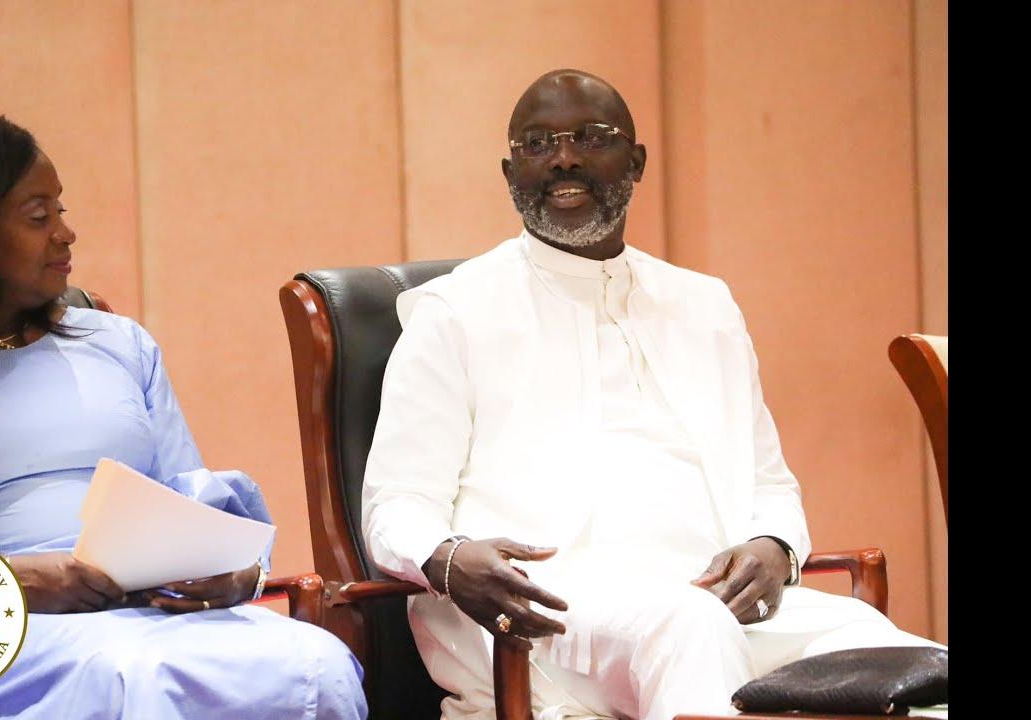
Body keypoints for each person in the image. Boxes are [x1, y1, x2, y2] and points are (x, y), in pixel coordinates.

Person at [361, 69, 943, 720]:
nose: (564, 158)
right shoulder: (455, 311)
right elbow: (396, 504)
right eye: (537, 144)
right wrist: (447, 558)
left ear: (635, 162)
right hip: (546, 616)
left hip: (714, 602)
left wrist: (774, 547)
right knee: (685, 627)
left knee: (905, 662)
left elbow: (770, 484)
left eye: (592, 137)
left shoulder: (704, 305)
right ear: (509, 173)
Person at [0, 113, 367, 720]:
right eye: (39, 217)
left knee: (314, 661)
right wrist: (14, 579)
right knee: (132, 674)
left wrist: (228, 572)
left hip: (144, 610)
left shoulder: (118, 343)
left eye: (61, 211)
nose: (66, 234)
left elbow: (188, 501)